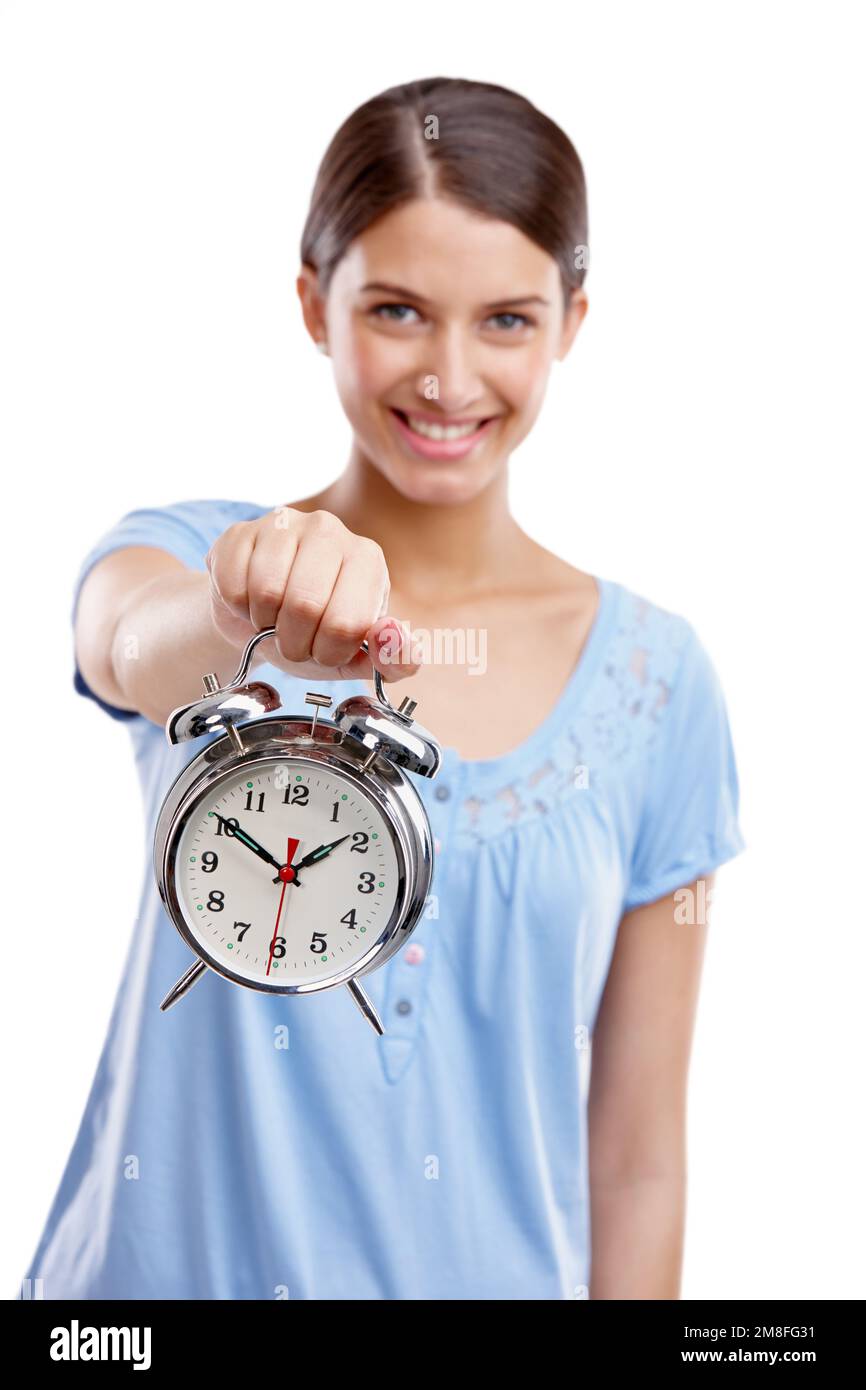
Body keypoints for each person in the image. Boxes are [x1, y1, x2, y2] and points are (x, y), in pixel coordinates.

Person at [20, 76, 745, 1301]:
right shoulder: (194, 560)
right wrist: (241, 609)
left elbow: (635, 1164)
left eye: (506, 320)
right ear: (314, 304)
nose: (450, 380)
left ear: (572, 320)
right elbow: (126, 643)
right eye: (398, 310)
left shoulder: (657, 682)